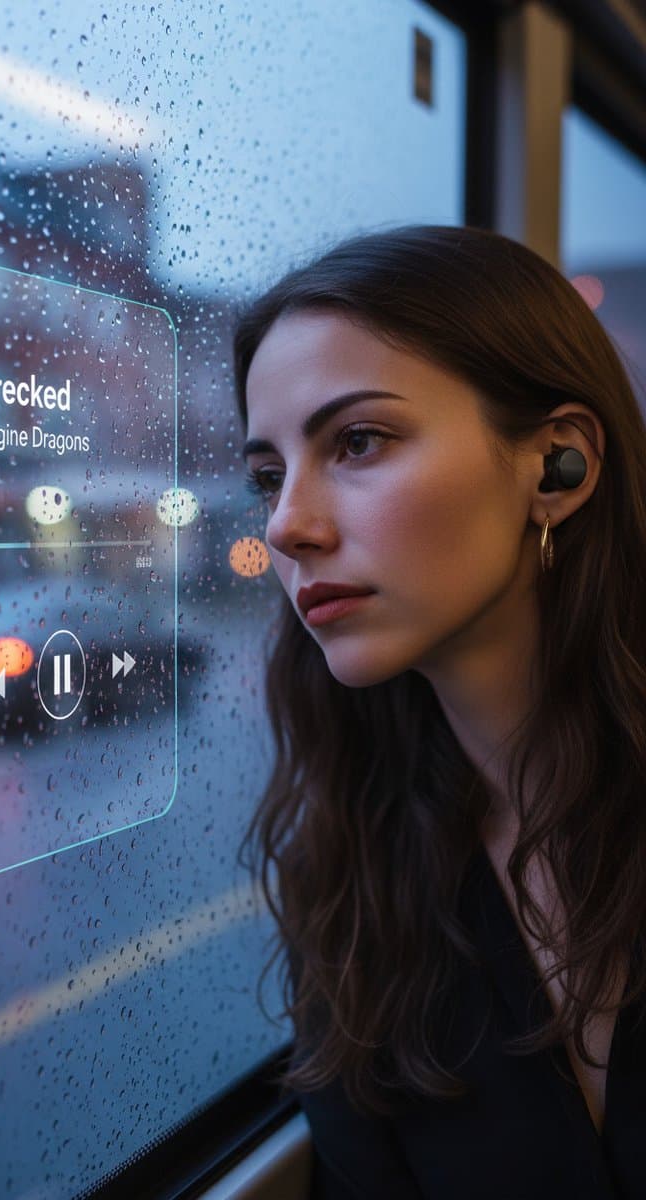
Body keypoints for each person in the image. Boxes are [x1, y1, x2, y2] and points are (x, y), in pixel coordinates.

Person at [233, 225, 646, 1198]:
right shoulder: (360, 877)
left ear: (557, 469)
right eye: (265, 475)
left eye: (357, 441)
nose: (285, 524)